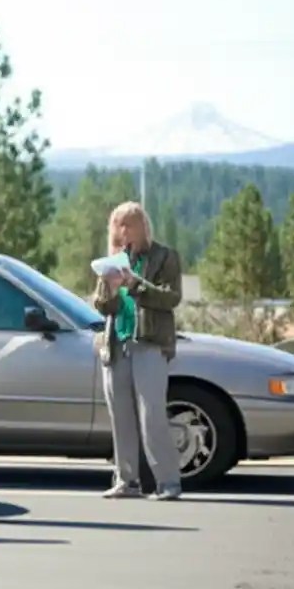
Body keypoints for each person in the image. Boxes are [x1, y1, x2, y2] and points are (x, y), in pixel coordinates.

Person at [91, 201, 184, 501]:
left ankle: (168, 481)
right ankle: (126, 480)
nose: (123, 232)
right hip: (117, 343)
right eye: (118, 226)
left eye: (129, 225)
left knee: (151, 414)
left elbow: (171, 298)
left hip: (149, 343)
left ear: (144, 227)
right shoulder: (113, 260)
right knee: (120, 416)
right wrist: (110, 287)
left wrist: (135, 285)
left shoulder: (164, 257)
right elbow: (102, 306)